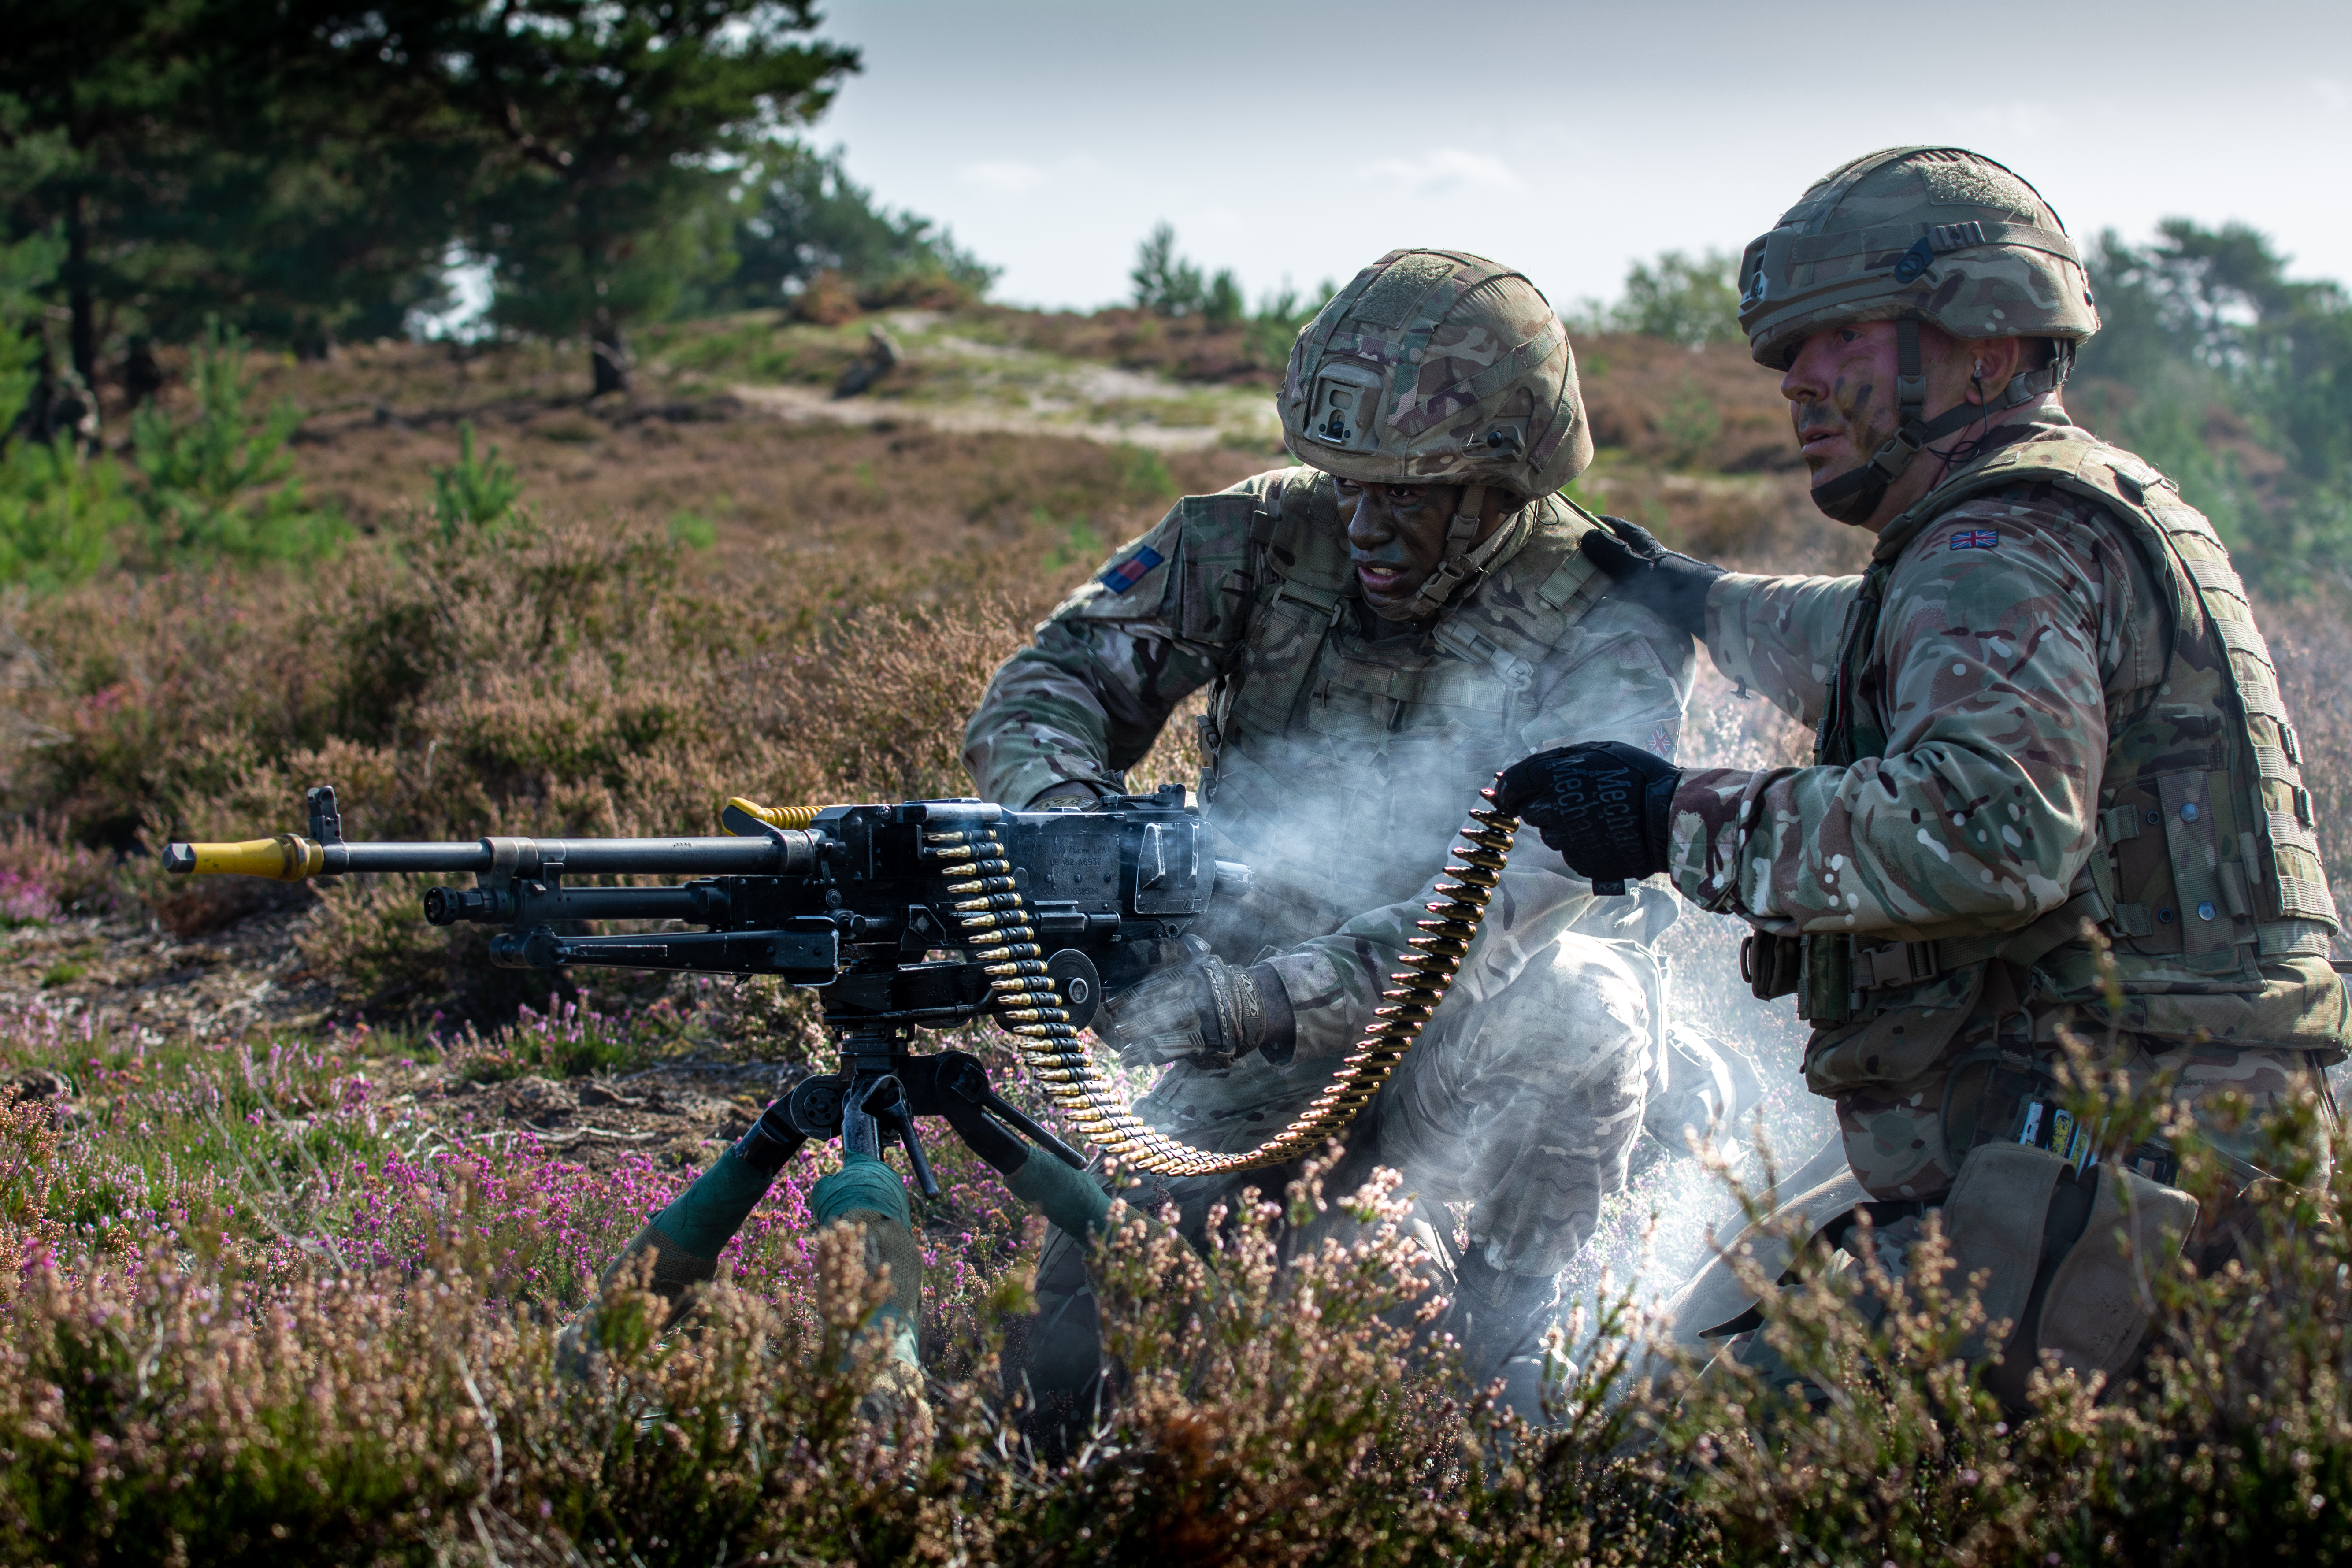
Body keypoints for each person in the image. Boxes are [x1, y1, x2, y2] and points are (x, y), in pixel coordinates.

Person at [1494, 146, 2350, 1405]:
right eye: (1786, 352)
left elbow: (1988, 830)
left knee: (1668, 1482)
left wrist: (1662, 815)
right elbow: (1871, 644)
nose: (1794, 381)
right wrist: (1693, 598)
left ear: (1986, 349)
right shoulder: (2066, 511)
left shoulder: (1995, 537)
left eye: (1836, 338)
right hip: (2148, 1157)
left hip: (2096, 1172)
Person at [964, 248, 1751, 1416]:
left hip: (1476, 1037)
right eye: (1345, 480)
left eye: (1412, 494)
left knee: (1586, 1003)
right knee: (1093, 1313)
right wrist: (1076, 832)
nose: (1365, 521)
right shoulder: (1255, 536)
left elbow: (1522, 900)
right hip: (1263, 1039)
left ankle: (1510, 1336)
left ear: (1506, 477)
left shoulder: (1604, 614)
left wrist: (1273, 994)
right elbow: (1049, 688)